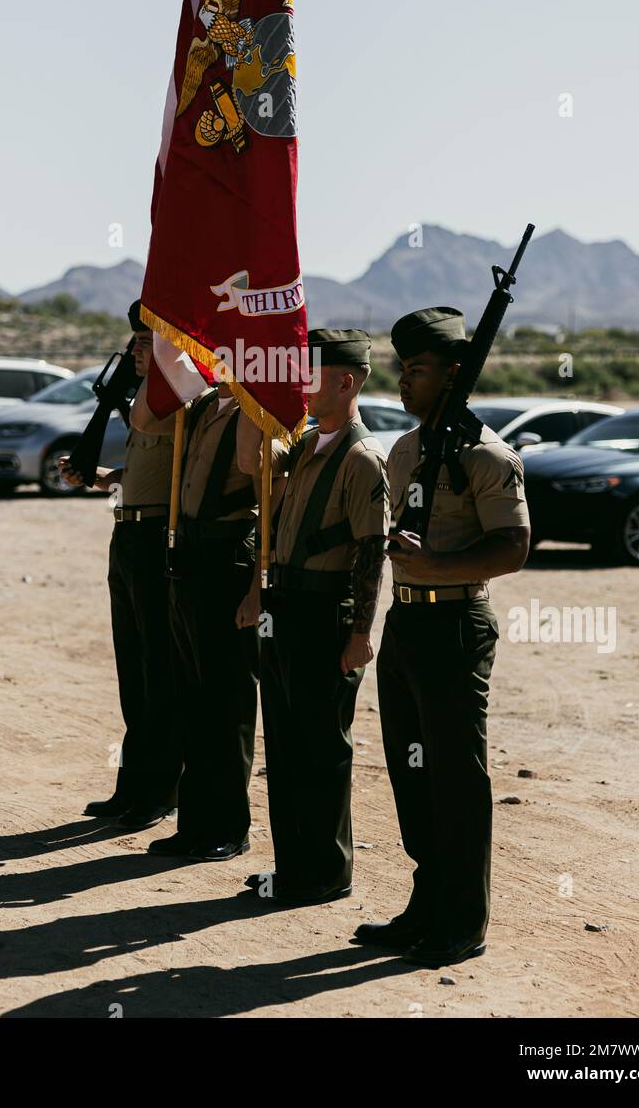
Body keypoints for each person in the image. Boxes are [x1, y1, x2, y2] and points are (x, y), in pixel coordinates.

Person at [353, 307, 530, 968]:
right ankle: (426, 907)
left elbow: (513, 546)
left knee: (456, 777)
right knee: (411, 770)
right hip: (406, 622)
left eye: (417, 370)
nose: (403, 381)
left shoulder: (488, 455)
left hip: (456, 624)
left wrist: (439, 567)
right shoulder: (404, 450)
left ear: (453, 374)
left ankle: (463, 922)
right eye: (401, 369)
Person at [236, 330, 390, 906]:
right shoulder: (303, 446)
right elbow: (250, 457)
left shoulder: (362, 458)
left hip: (326, 611)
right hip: (285, 606)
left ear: (345, 380)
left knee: (321, 745)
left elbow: (371, 552)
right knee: (284, 741)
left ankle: (325, 870)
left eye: (311, 374)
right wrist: (256, 388)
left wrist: (360, 634)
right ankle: (292, 866)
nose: (301, 383)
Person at [60, 301, 181, 833]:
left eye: (146, 341)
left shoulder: (175, 402)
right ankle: (133, 787)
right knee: (133, 668)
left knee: (159, 670)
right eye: (133, 341)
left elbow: (178, 471)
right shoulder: (139, 400)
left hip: (158, 538)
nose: (136, 349)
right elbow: (143, 470)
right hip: (127, 531)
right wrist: (100, 474)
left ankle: (158, 792)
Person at [131, 370, 260, 862]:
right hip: (187, 553)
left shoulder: (258, 411)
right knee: (193, 697)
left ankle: (228, 826)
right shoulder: (203, 406)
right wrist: (166, 361)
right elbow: (144, 419)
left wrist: (256, 592)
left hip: (228, 555)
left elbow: (267, 492)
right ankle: (196, 824)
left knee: (227, 703)